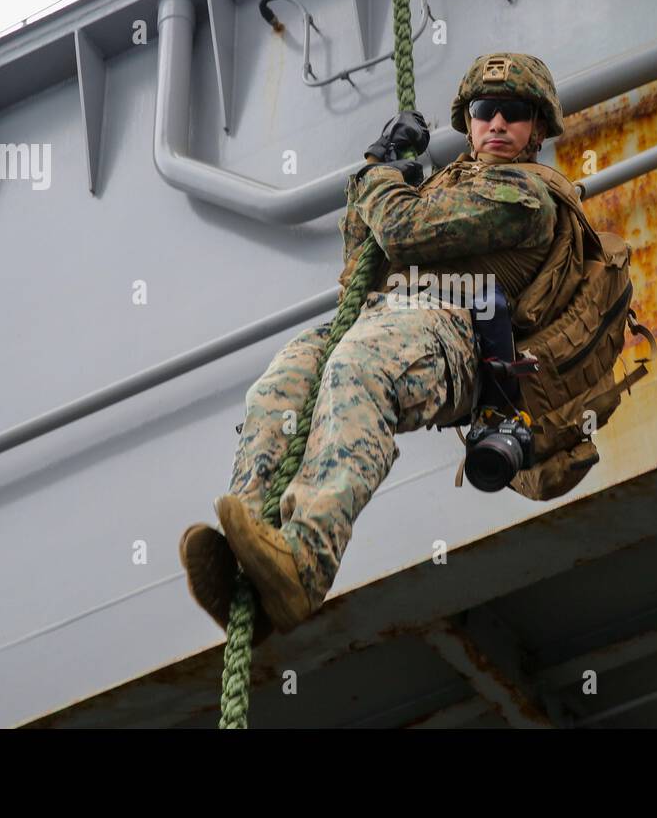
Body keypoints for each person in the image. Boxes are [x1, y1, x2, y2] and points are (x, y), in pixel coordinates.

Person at [179, 53, 567, 638]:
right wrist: (381, 166)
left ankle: (305, 561)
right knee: (279, 386)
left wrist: (377, 177)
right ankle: (252, 562)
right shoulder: (441, 185)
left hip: (453, 331)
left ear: (537, 129)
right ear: (469, 121)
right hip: (383, 313)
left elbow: (404, 230)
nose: (497, 124)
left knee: (358, 372)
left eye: (514, 114)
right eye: (486, 112)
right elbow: (364, 258)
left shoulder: (526, 197)